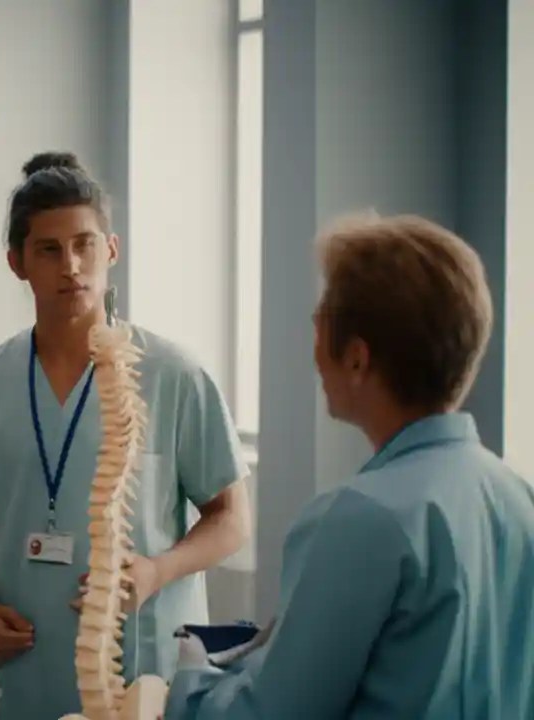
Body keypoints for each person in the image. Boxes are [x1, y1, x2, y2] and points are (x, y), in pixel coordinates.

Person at [165, 214, 534, 719]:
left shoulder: (359, 520)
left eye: (323, 314)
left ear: (357, 359)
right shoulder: (517, 497)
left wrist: (187, 676)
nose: (314, 333)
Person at [0, 152, 252, 718]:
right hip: (30, 669)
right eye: (48, 250)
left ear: (111, 249)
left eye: (84, 244)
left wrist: (157, 570)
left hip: (146, 668)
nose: (71, 267)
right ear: (17, 263)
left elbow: (232, 517)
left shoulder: (173, 374)